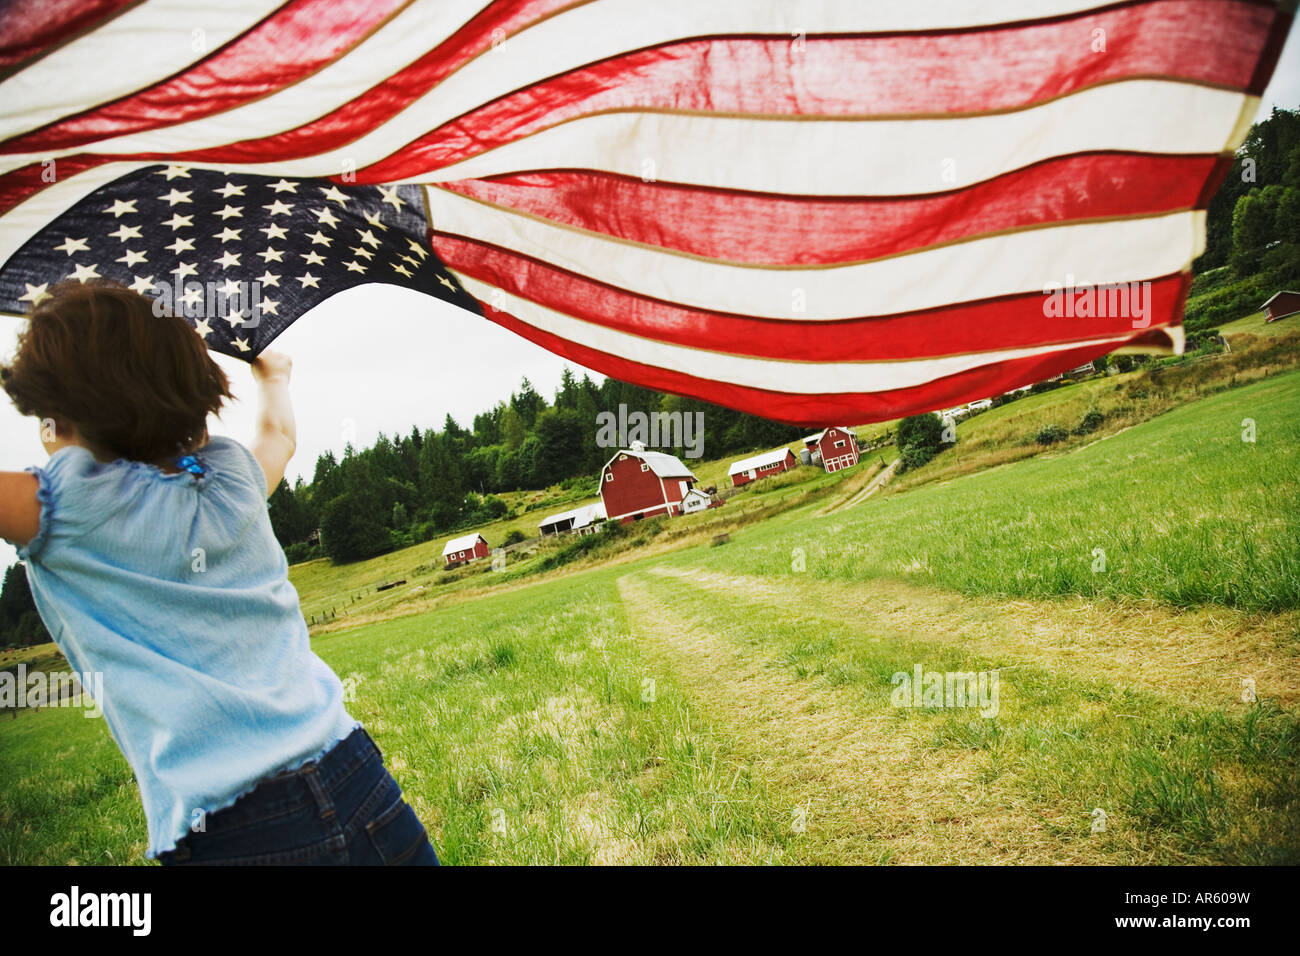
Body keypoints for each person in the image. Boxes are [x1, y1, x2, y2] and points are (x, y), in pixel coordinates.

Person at [0, 281, 437, 866]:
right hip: (354, 772)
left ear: (67, 414)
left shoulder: (66, 506)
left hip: (234, 830)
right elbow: (279, 435)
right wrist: (272, 376)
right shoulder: (231, 475)